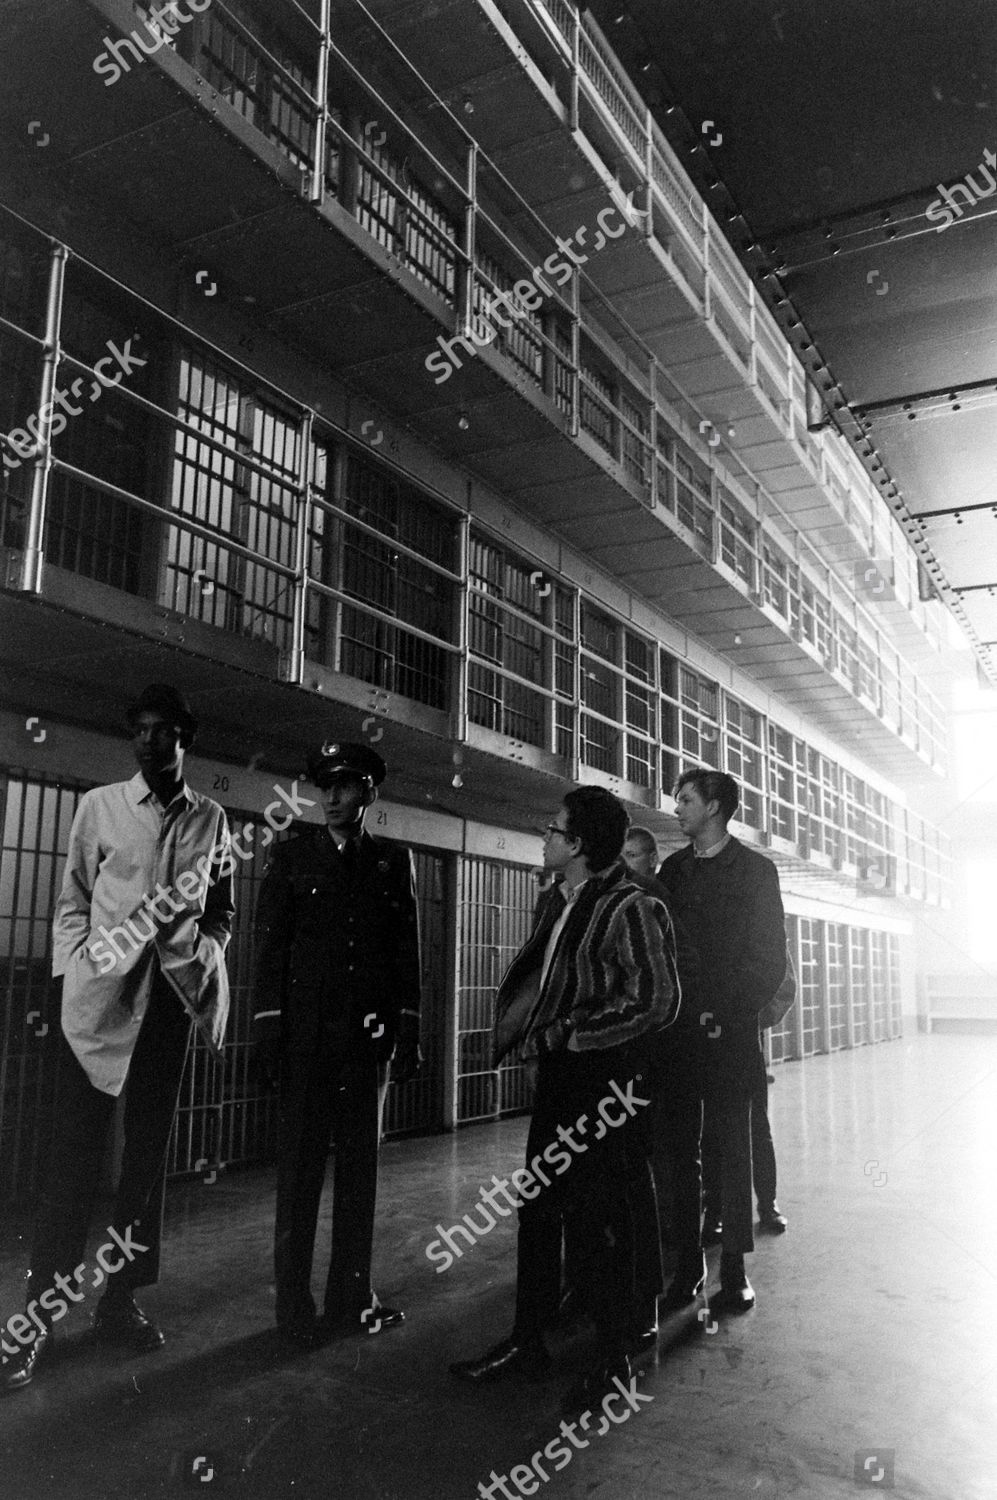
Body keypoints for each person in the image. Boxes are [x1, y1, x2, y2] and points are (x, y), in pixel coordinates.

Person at [2, 684, 234, 1395]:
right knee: (70, 1161)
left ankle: (119, 1300)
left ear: (184, 740)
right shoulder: (99, 806)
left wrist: (206, 955)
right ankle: (36, 1319)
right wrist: (77, 972)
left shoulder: (211, 818)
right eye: (141, 731)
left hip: (165, 1006)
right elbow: (71, 900)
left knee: (144, 1166)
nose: (151, 741)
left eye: (165, 731)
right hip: (96, 1004)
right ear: (132, 740)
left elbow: (222, 908)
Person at [449, 787, 679, 1408]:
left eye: (553, 831)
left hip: (602, 1083)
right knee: (540, 1209)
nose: (544, 839)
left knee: (598, 1218)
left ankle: (612, 1359)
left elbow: (658, 999)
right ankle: (528, 1343)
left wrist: (574, 1036)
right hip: (560, 1077)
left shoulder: (631, 906)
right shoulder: (562, 900)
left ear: (577, 845)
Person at [251, 741, 422, 1347]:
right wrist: (269, 1030)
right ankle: (293, 1308)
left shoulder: (390, 862)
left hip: (364, 1044)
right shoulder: (292, 856)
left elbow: (406, 951)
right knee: (297, 1175)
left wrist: (407, 1031)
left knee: (360, 1173)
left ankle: (352, 1298)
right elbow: (270, 949)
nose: (331, 797)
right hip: (305, 1041)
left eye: (345, 786)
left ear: (369, 793)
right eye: (325, 785)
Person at [658, 769, 786, 1313]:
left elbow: (769, 959)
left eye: (685, 799)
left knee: (732, 1151)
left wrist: (723, 1012)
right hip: (680, 1035)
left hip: (730, 1035)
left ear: (714, 807)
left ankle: (732, 1270)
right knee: (678, 1154)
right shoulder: (674, 869)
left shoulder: (756, 870)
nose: (677, 808)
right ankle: (687, 1269)